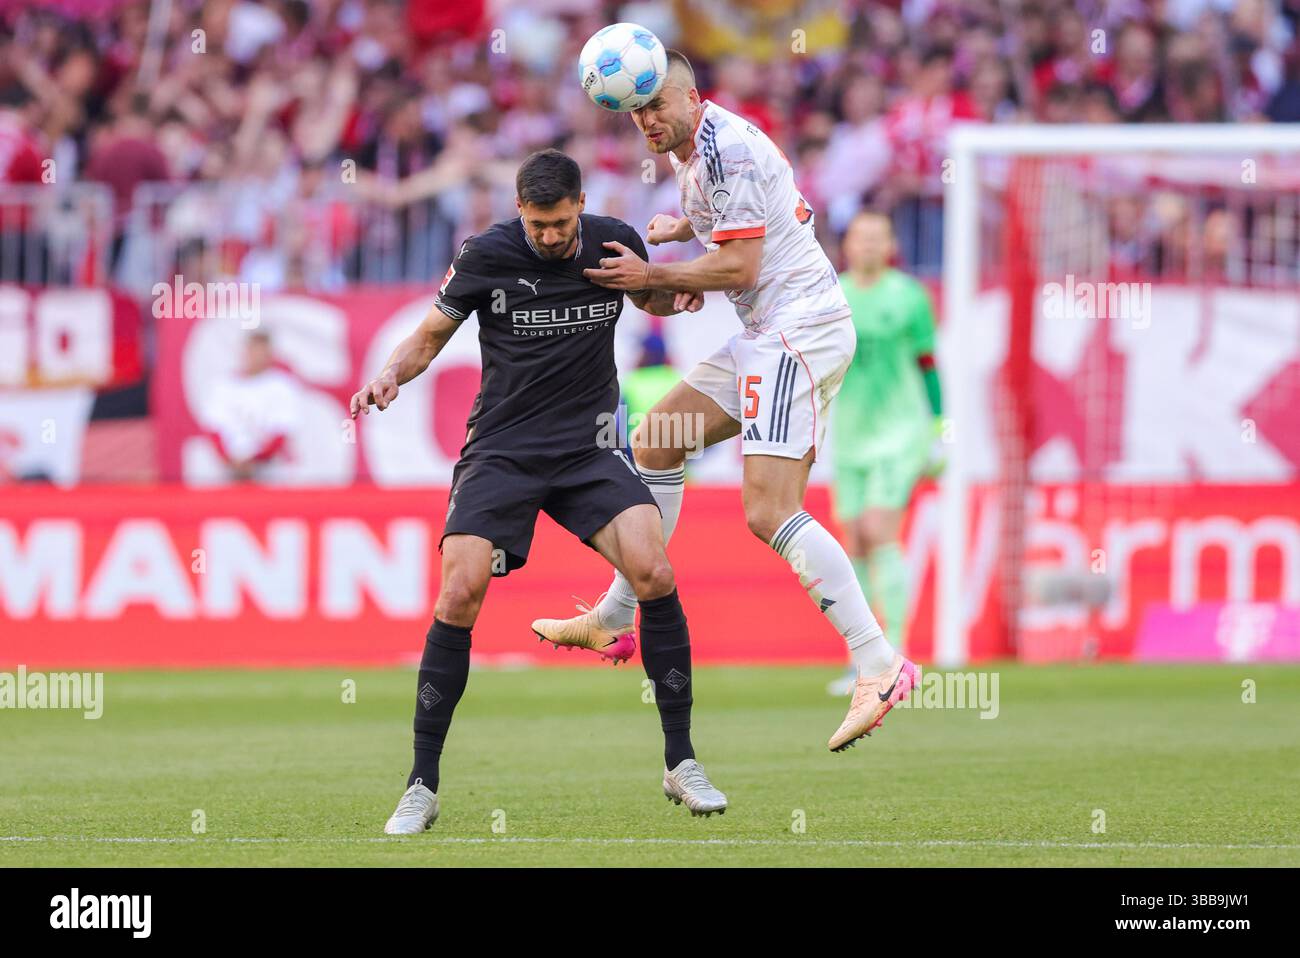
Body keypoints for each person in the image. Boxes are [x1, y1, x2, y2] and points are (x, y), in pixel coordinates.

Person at [531, 52, 917, 753]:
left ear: (692, 98)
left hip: (797, 331)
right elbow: (744, 223)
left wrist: (656, 274)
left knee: (769, 510)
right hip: (765, 332)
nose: (647, 120)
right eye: (636, 111)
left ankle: (878, 662)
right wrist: (686, 238)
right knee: (657, 440)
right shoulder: (693, 153)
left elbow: (741, 264)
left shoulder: (725, 145)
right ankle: (615, 615)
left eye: (657, 105)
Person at [350, 149, 727, 833]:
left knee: (654, 569)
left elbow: (650, 298)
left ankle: (682, 761)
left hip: (590, 448)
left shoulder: (614, 242)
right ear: (518, 209)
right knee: (459, 591)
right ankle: (421, 785)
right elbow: (429, 337)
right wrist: (388, 375)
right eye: (537, 224)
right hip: (503, 449)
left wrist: (673, 290)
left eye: (560, 223)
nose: (550, 236)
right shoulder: (485, 255)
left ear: (580, 205)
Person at [826, 211, 944, 697]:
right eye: (861, 237)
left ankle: (895, 650)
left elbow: (928, 364)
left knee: (879, 530)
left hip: (900, 433)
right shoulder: (833, 294)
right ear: (848, 245)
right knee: (852, 540)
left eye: (878, 237)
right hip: (849, 436)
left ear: (891, 244)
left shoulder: (909, 296)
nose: (869, 245)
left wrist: (940, 429)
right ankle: (863, 659)